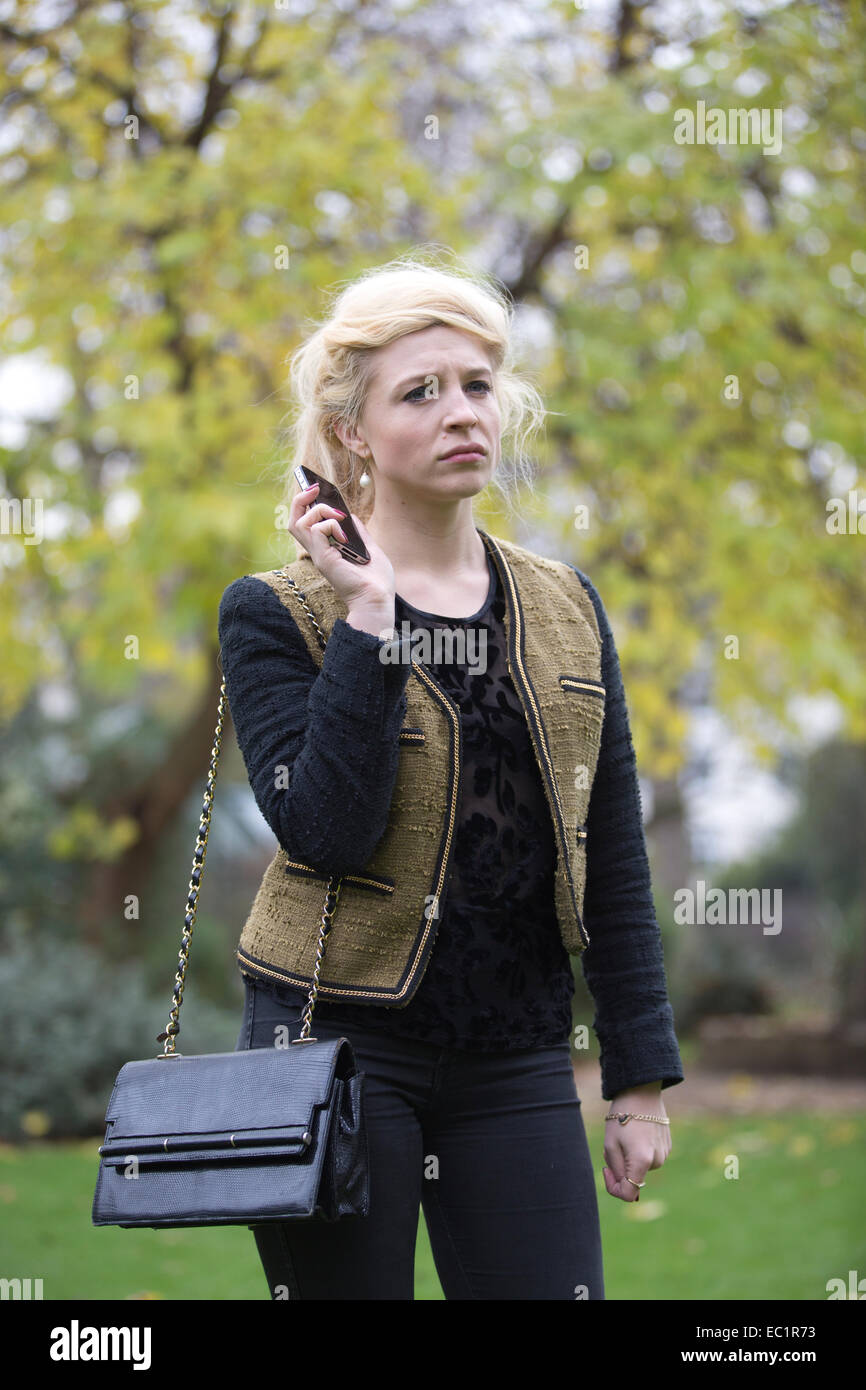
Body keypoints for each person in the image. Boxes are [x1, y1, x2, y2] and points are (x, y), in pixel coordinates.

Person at [218, 252, 684, 1300]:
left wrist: (637, 1075)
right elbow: (323, 830)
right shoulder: (278, 610)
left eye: (476, 385)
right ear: (352, 432)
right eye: (419, 391)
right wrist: (369, 621)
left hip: (514, 1055)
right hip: (329, 1049)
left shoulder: (566, 604)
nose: (460, 411)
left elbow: (606, 844)